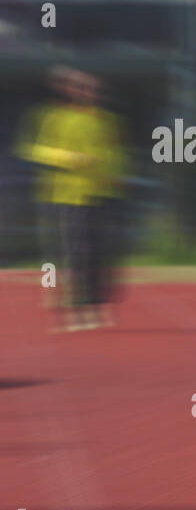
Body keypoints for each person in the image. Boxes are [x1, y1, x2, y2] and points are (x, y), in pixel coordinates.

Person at [14, 69, 127, 332]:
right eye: (83, 88)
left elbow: (115, 152)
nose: (90, 94)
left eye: (94, 90)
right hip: (65, 194)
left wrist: (117, 176)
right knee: (74, 253)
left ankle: (97, 307)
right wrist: (69, 158)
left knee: (101, 254)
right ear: (68, 90)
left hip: (102, 194)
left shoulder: (107, 119)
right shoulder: (51, 116)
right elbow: (32, 149)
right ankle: (74, 308)